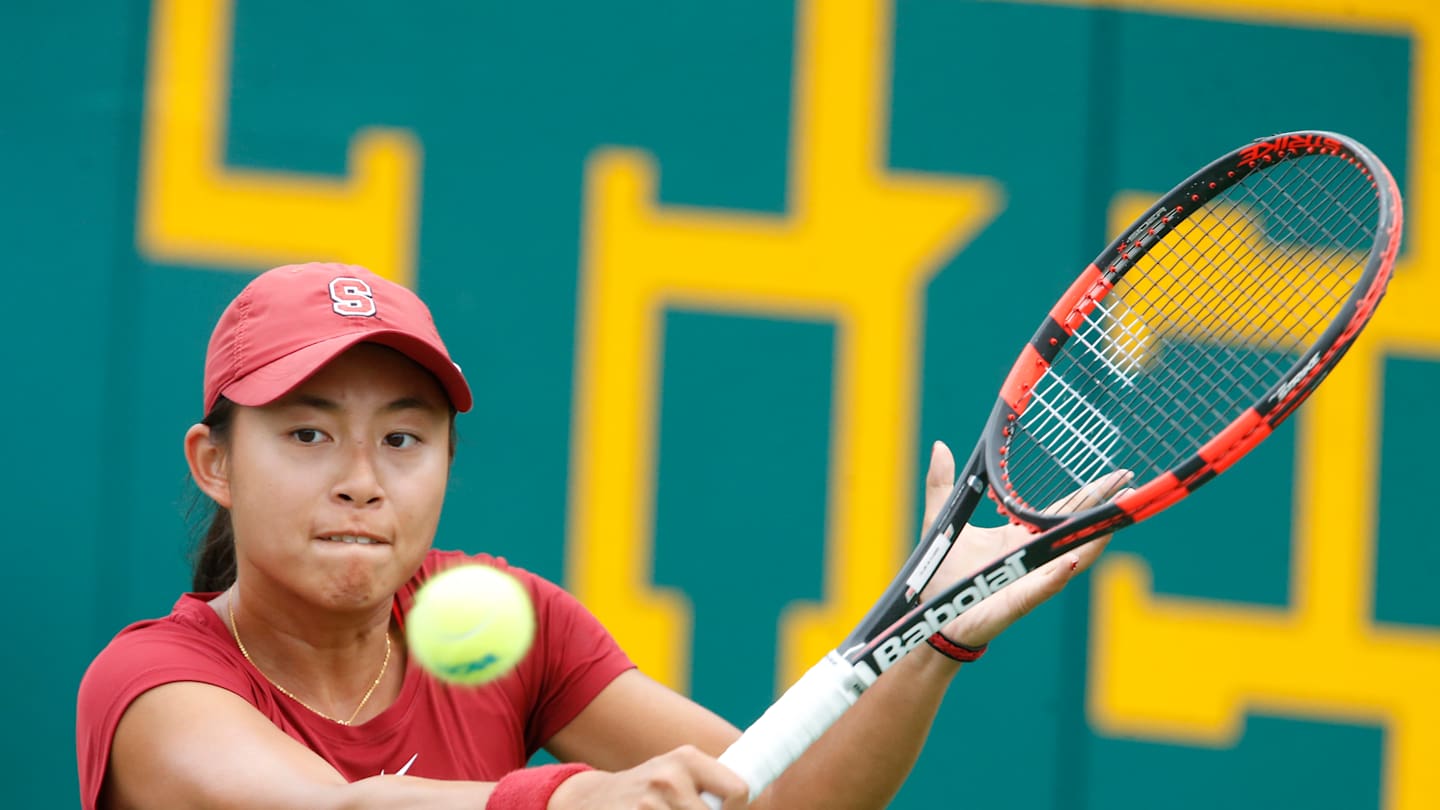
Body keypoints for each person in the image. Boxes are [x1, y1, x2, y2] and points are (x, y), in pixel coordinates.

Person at [76, 262, 1112, 809]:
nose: (361, 481)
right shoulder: (154, 693)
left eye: (403, 437)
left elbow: (779, 799)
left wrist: (934, 642)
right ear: (214, 465)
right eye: (308, 434)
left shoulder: (506, 621)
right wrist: (570, 802)